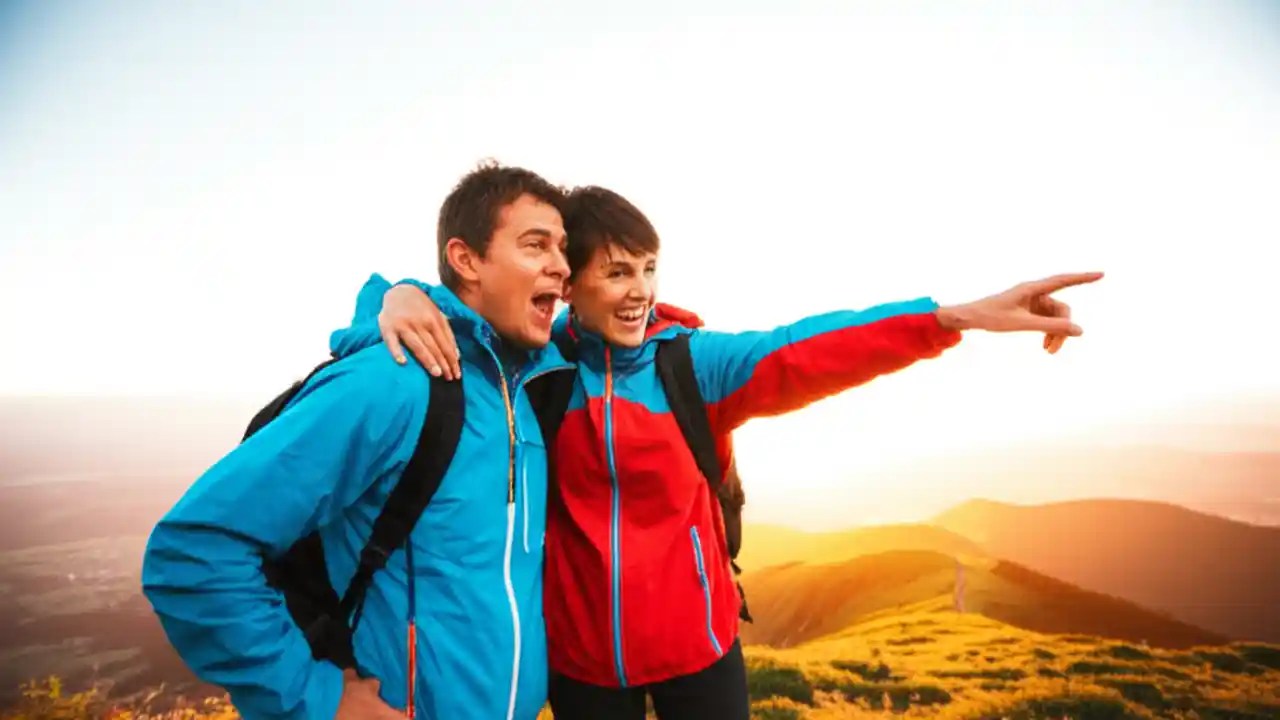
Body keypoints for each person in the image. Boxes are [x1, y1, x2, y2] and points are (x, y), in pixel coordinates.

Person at [331, 185, 1103, 719]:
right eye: (616, 272)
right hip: (582, 664)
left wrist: (954, 317)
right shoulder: (539, 368)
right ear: (569, 282)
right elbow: (449, 317)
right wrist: (394, 297)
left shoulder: (691, 366)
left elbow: (809, 348)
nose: (639, 291)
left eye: (649, 268)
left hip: (700, 646)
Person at [140, 162, 577, 720]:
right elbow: (193, 550)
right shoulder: (392, 382)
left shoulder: (533, 389)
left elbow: (622, 330)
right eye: (536, 244)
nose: (560, 266)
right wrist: (320, 702)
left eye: (562, 249)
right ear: (465, 260)